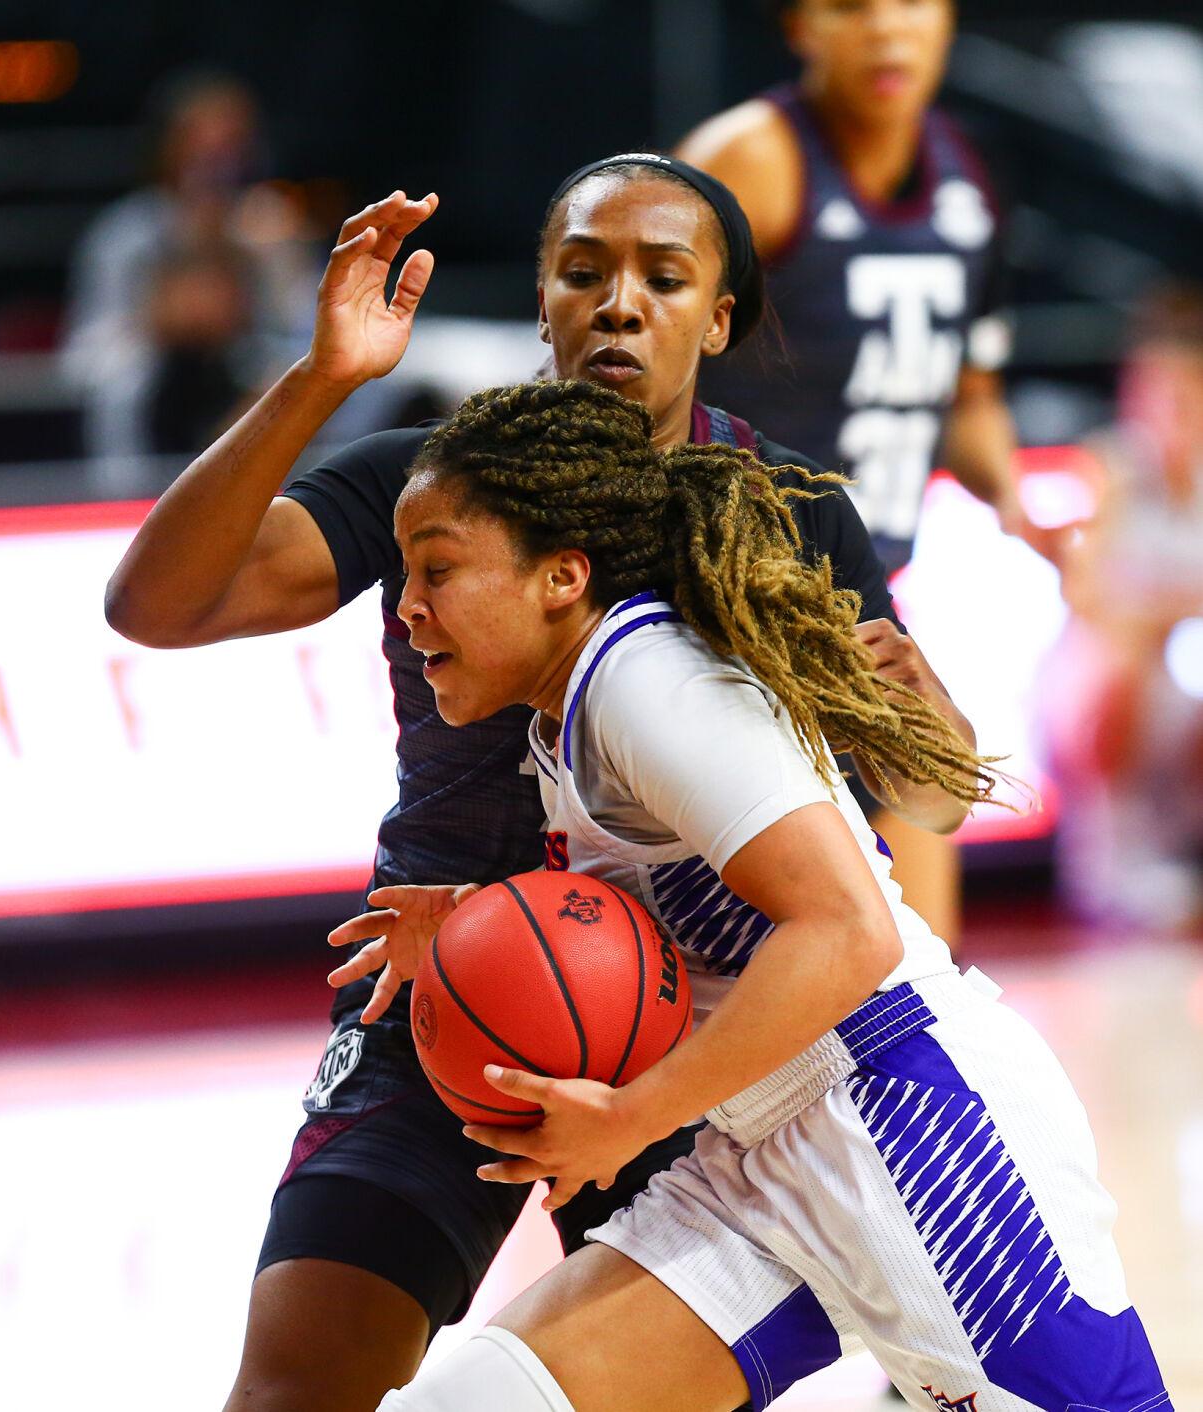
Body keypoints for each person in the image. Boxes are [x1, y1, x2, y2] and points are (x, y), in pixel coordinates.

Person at [106, 155, 973, 1412]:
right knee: (297, 1386)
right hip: (442, 985)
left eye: (663, 278)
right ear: (544, 301)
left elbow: (921, 806)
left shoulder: (789, 509)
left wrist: (924, 725)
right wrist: (321, 380)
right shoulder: (433, 479)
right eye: (584, 272)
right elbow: (157, 603)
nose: (620, 303)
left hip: (678, 1030)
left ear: (717, 318)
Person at [357, 378, 1170, 1412]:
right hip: (758, 1152)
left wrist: (629, 1117)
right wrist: (485, 919)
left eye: (436, 570)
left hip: (905, 1116)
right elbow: (681, 922)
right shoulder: (574, 708)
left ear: (561, 574)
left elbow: (847, 929)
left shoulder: (642, 682)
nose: (407, 605)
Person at [676, 0, 1056, 944]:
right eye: (852, 7)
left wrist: (1012, 495)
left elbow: (967, 393)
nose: (887, 31)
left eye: (911, 3)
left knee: (927, 957)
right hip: (716, 602)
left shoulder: (969, 175)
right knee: (763, 953)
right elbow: (620, 356)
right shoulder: (751, 160)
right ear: (800, 24)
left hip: (859, 604)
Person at [63, 70, 316, 489]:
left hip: (244, 381)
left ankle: (291, 504)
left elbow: (305, 330)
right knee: (124, 386)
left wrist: (278, 261)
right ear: (170, 147)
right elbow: (85, 356)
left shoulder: (267, 227)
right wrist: (159, 321)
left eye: (231, 145)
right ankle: (127, 512)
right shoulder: (126, 235)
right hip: (153, 389)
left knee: (301, 382)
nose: (217, 162)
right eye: (202, 145)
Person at [1042, 285, 1203, 932]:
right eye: (1159, 391)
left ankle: (1178, 851)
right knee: (1121, 666)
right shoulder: (1109, 468)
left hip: (1181, 676)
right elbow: (1087, 596)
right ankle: (1110, 861)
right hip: (1099, 684)